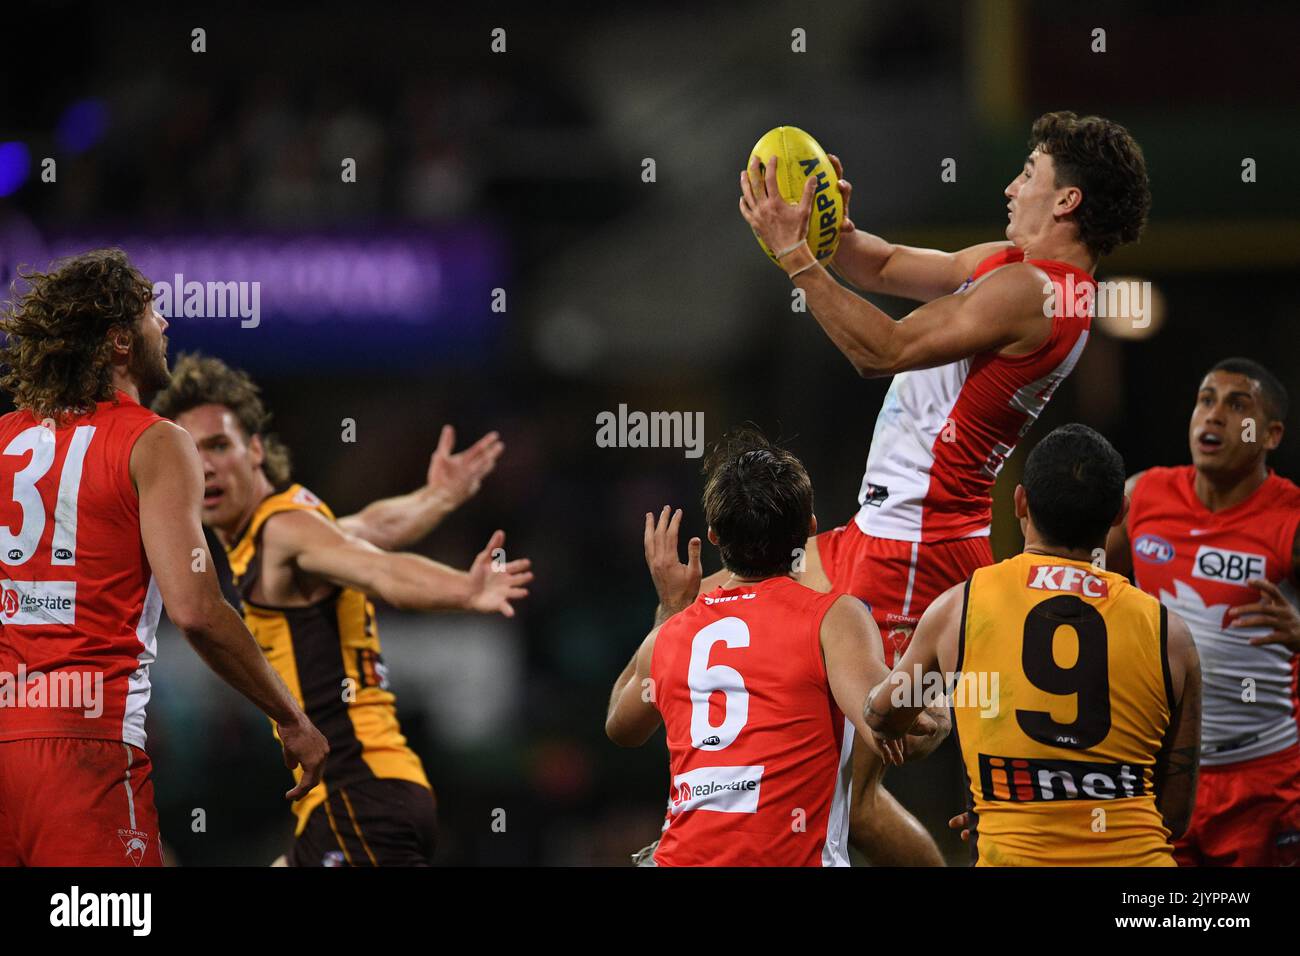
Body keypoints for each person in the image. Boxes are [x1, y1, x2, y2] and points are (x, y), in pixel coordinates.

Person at [727, 109, 1152, 863]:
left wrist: (797, 258)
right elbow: (886, 267)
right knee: (729, 598)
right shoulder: (1024, 272)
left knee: (851, 801)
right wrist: (832, 229)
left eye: (1029, 174)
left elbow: (882, 350)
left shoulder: (1036, 292)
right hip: (887, 532)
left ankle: (932, 724)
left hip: (914, 547)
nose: (1010, 184)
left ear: (1067, 202)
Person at [0, 248, 327, 866]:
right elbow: (197, 610)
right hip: (84, 749)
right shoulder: (155, 441)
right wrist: (291, 718)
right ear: (121, 341)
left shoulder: (4, 437)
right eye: (155, 315)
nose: (167, 326)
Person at [152, 353, 533, 866]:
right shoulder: (292, 525)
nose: (207, 466)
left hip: (357, 794)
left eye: (220, 445)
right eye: (191, 453)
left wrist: (464, 590)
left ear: (257, 449)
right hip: (370, 795)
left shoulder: (280, 532)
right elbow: (374, 525)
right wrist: (436, 498)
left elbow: (379, 569)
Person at [868, 424, 1201, 866]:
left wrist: (1010, 796)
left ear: (1020, 501)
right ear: (1120, 512)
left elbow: (883, 714)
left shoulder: (960, 607)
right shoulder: (1171, 635)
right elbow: (1174, 816)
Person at [607, 428, 937, 866]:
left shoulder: (674, 630)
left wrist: (670, 607)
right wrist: (933, 702)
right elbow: (883, 721)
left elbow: (620, 726)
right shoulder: (833, 617)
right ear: (811, 530)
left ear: (714, 536)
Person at [1106, 358, 1300, 866]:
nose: (1214, 416)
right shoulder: (1141, 495)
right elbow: (1079, 580)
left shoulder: (1292, 520)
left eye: (1239, 406)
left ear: (1271, 434)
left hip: (1266, 782)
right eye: (1206, 400)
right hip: (1160, 774)